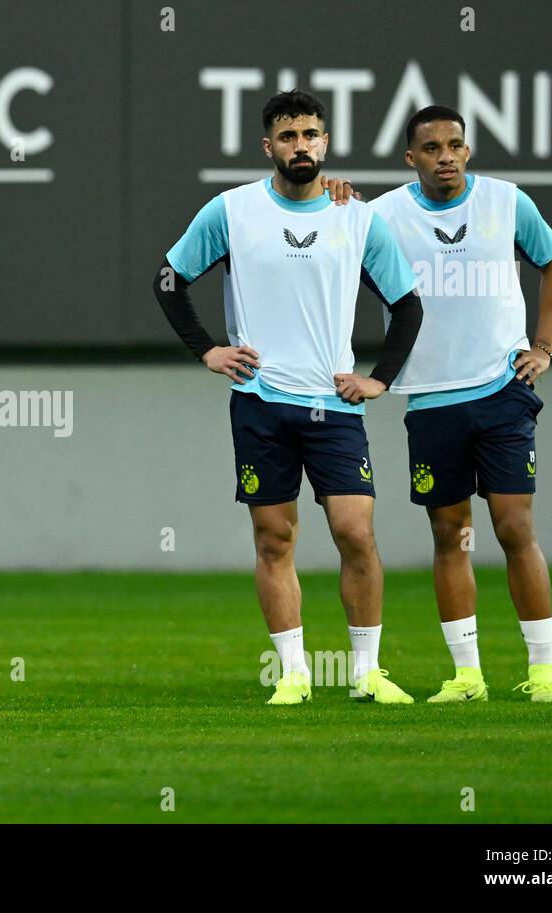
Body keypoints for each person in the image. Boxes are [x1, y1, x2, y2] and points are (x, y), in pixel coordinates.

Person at [153, 90, 424, 705]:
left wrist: (380, 377)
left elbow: (406, 303)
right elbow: (168, 280)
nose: (301, 145)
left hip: (335, 407)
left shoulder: (355, 215)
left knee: (356, 533)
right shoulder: (231, 211)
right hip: (260, 404)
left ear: (325, 143)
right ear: (267, 146)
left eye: (311, 134)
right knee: (275, 538)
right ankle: (295, 673)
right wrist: (208, 349)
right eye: (288, 136)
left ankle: (366, 673)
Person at [370, 105, 552, 702]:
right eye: (431, 148)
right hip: (430, 400)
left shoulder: (508, 202)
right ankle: (467, 676)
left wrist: (543, 347)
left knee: (513, 526)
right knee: (450, 532)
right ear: (411, 159)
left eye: (455, 144)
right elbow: (328, 254)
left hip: (501, 391)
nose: (446, 156)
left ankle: (542, 673)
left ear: (468, 149)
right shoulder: (382, 216)